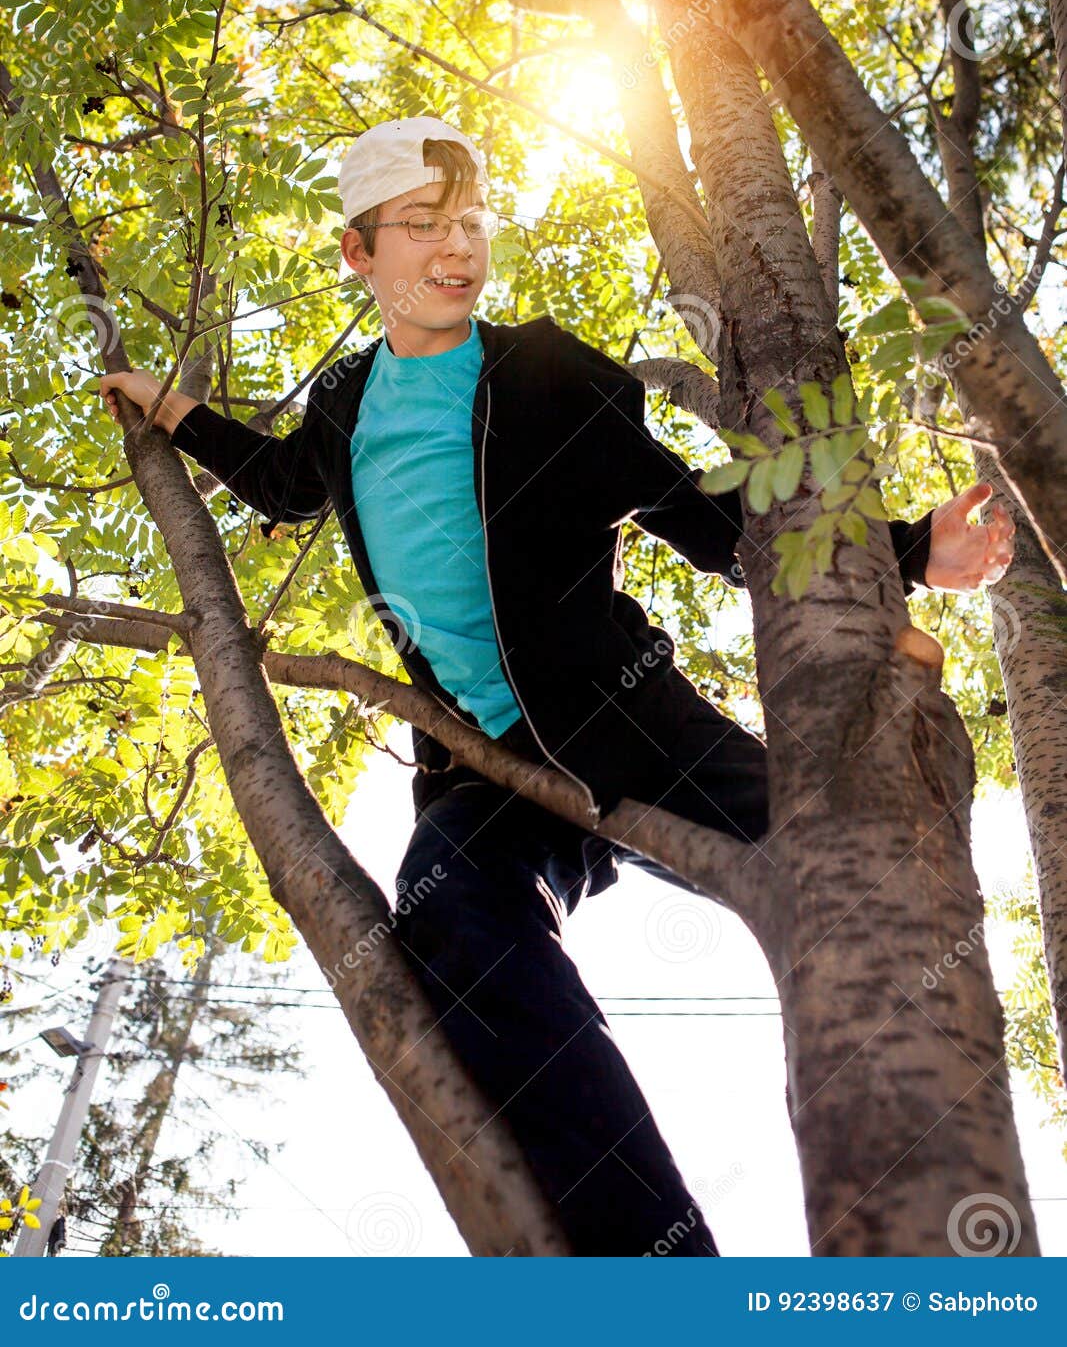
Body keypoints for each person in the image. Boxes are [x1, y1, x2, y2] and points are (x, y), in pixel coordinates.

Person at [99, 115, 1016, 1256]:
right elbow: (284, 485)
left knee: (846, 853)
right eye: (423, 226)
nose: (456, 248)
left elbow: (698, 514)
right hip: (483, 769)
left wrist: (905, 547)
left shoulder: (542, 370)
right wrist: (167, 409)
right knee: (448, 910)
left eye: (471, 223)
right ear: (357, 252)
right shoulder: (341, 403)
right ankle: (648, 1268)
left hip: (628, 721)